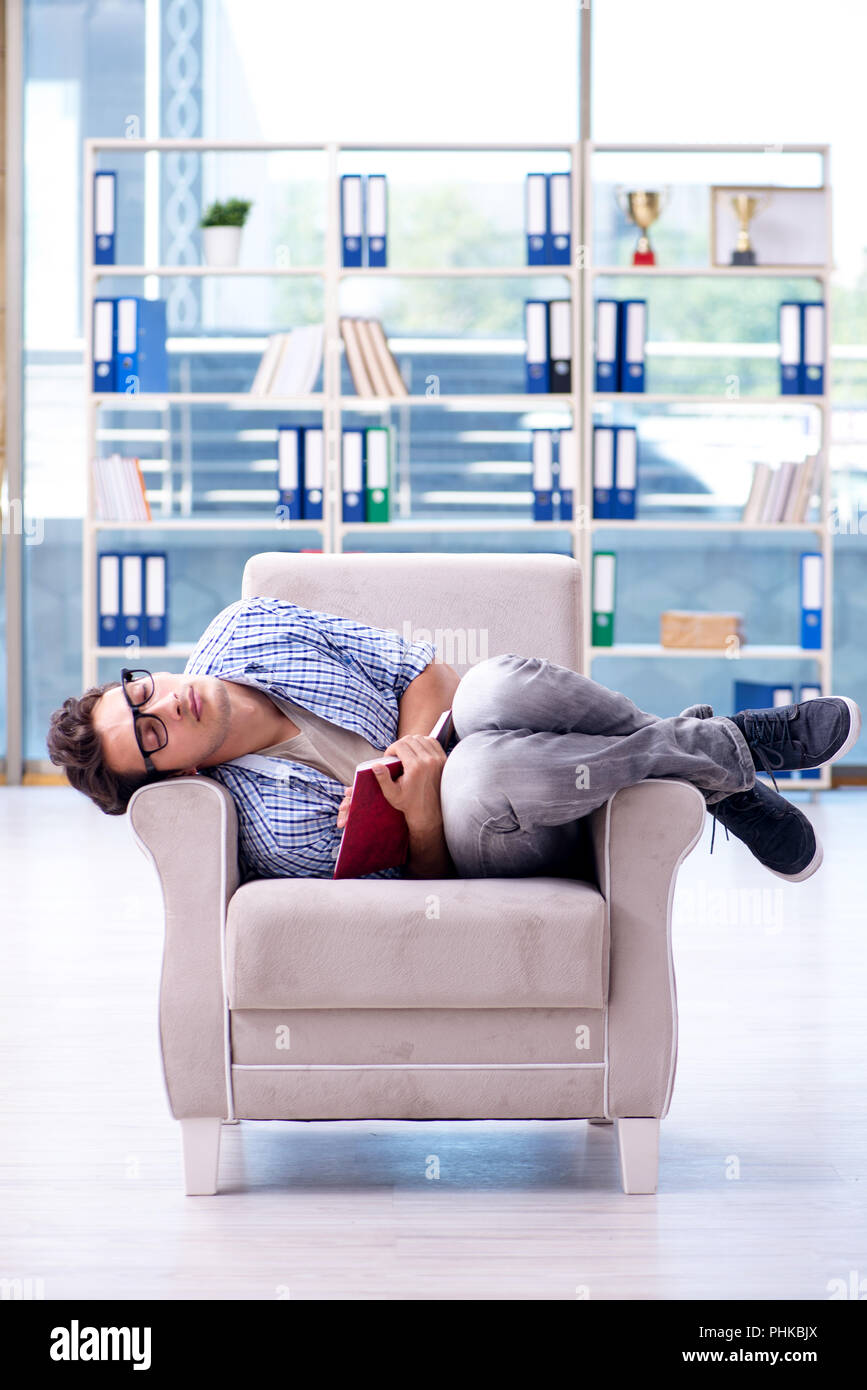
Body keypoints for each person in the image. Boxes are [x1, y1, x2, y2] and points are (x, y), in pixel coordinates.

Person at [47, 594, 861, 885]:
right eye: (149, 737)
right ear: (171, 773)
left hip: (492, 737)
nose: (167, 709)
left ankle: (718, 768)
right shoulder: (263, 823)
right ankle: (731, 750)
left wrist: (406, 749)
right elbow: (411, 880)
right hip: (488, 835)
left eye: (139, 694)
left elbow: (422, 672)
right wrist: (424, 807)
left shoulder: (246, 626)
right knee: (477, 776)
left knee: (492, 684)